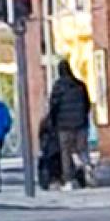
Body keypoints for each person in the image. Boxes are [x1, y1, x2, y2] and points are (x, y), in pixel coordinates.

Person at [47, 59, 92, 191]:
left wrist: (53, 123)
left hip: (64, 126)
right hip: (81, 124)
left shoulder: (58, 87)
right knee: (82, 149)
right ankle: (86, 167)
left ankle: (69, 180)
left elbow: (53, 107)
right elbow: (87, 104)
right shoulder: (80, 85)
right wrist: (83, 117)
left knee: (66, 153)